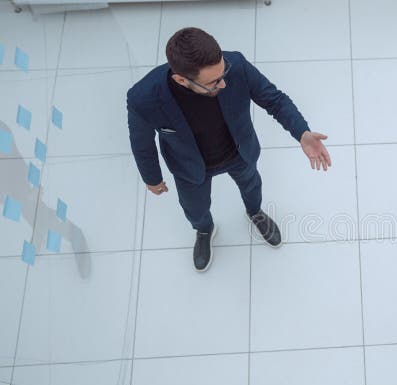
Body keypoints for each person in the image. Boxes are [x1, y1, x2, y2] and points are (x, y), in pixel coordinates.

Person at [127, 27, 331, 272]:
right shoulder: (143, 98)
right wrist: (152, 178)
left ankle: (255, 212)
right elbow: (142, 142)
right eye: (214, 82)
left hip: (239, 153)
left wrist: (302, 132)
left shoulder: (237, 64)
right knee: (195, 207)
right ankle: (204, 230)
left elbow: (274, 99)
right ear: (182, 79)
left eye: (224, 73)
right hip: (190, 167)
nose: (224, 82)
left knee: (252, 185)